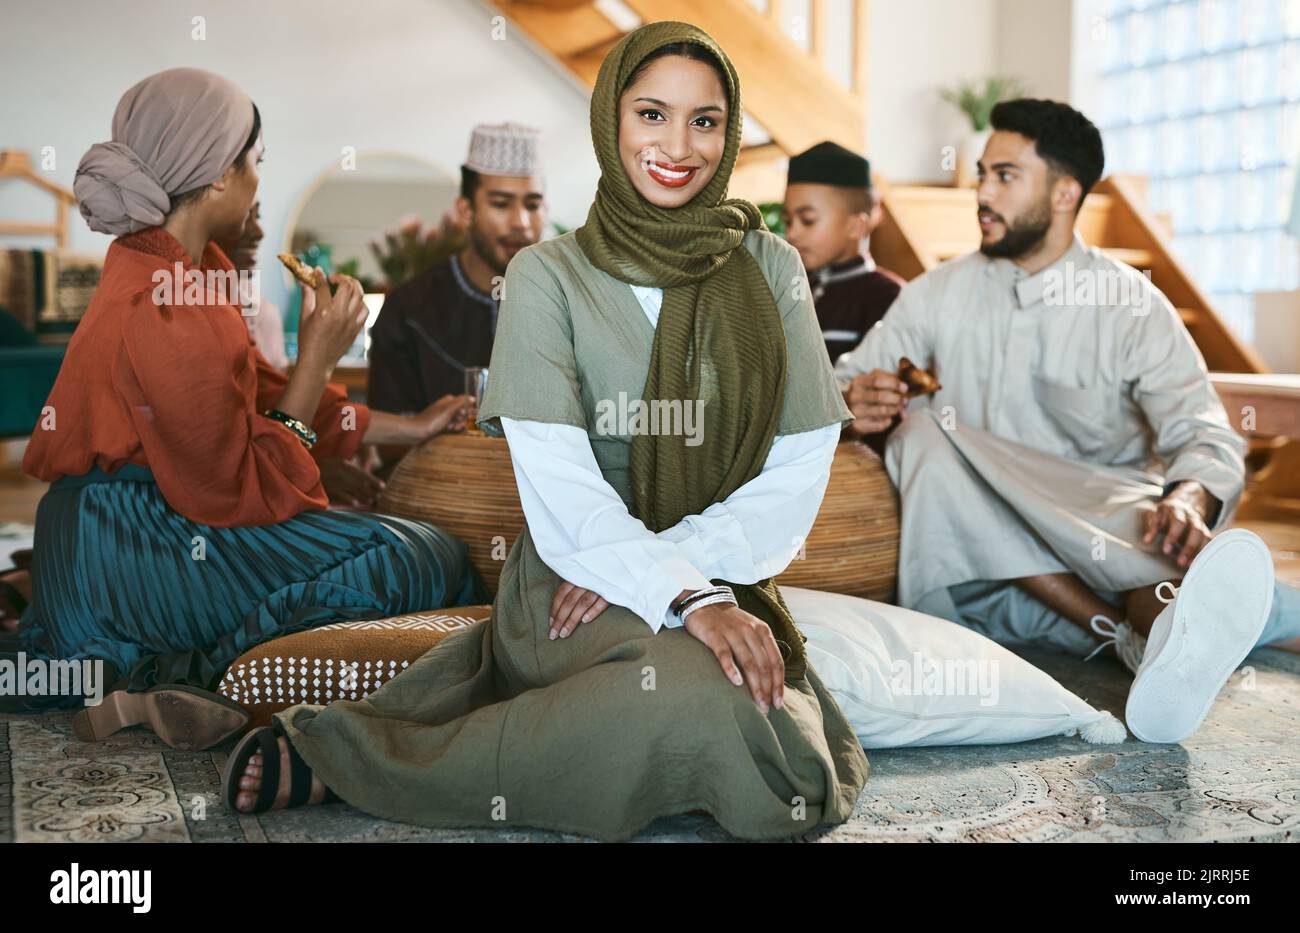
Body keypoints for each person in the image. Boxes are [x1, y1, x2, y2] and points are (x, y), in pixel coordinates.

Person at [223, 22, 869, 841]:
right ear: (611, 121)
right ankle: (359, 758)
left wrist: (674, 573)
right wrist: (672, 587)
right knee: (703, 689)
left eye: (704, 120)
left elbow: (799, 460)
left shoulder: (770, 267)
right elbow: (559, 482)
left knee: (748, 717)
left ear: (729, 130)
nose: (679, 145)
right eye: (651, 115)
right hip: (566, 587)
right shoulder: (546, 276)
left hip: (710, 569)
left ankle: (487, 741)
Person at [15, 68, 484, 745]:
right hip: (131, 546)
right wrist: (321, 353)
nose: (259, 182)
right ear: (216, 176)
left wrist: (411, 423)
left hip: (114, 533)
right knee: (422, 558)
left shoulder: (178, 266)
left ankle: (183, 668)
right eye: (255, 163)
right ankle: (183, 673)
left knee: (412, 545)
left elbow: (265, 394)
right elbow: (237, 490)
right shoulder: (164, 297)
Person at [835, 98, 1299, 744]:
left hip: (1096, 524)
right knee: (921, 433)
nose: (982, 193)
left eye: (1005, 175)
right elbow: (841, 380)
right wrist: (852, 398)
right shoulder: (939, 292)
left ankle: (1159, 634)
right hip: (981, 554)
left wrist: (1189, 497)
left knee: (1155, 532)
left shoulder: (1132, 304)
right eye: (980, 173)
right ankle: (1159, 628)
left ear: (1065, 192)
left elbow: (1204, 429)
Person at [367, 123, 546, 470]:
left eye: (533, 204)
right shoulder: (410, 308)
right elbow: (388, 446)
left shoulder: (567, 304)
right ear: (466, 211)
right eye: (500, 204)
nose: (521, 222)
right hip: (436, 502)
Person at [214, 202, 387, 509]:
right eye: (243, 216)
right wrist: (318, 360)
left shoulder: (257, 311)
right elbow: (241, 472)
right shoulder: (194, 313)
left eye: (259, 216)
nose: (257, 232)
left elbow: (273, 401)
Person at [781, 141, 903, 363]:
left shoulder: (887, 297)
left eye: (808, 220)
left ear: (855, 226)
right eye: (788, 220)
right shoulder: (785, 287)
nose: (792, 233)